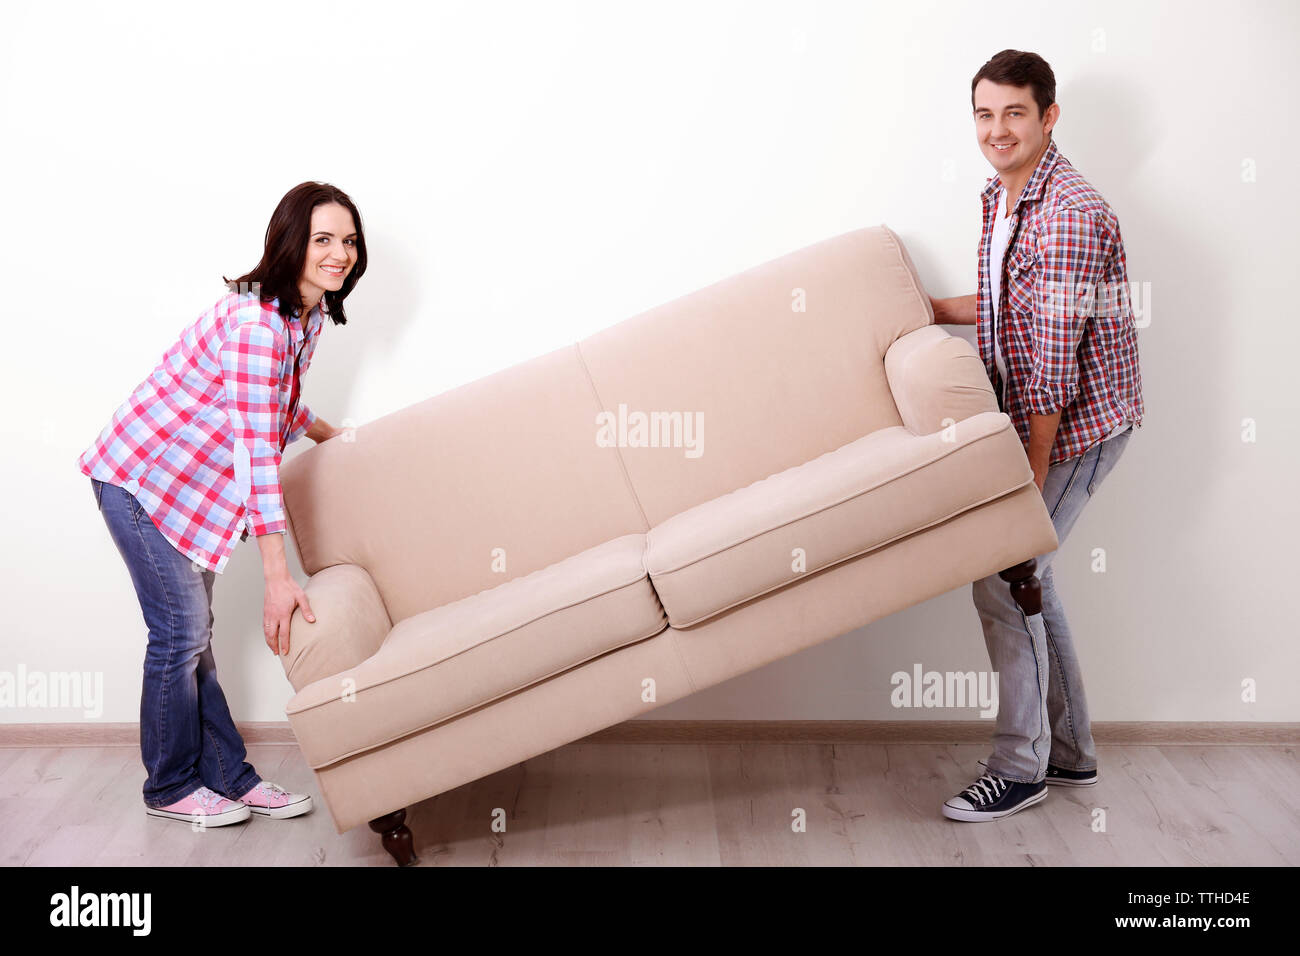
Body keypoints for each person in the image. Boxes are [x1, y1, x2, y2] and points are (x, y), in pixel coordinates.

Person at [78, 182, 365, 827]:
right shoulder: (256, 325)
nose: (339, 254)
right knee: (181, 634)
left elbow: (277, 406)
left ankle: (229, 776)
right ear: (291, 243)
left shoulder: (304, 319)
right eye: (323, 240)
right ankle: (171, 785)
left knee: (193, 637)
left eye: (347, 241)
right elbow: (254, 450)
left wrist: (333, 436)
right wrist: (277, 577)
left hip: (192, 496)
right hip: (141, 480)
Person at [929, 51, 1145, 821]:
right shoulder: (1005, 195)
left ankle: (1019, 768)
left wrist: (1024, 482)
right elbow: (1000, 302)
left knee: (1005, 574)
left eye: (1014, 113)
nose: (998, 130)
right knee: (1030, 582)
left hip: (1076, 427)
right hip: (1034, 414)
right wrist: (925, 312)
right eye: (985, 114)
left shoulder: (1072, 217)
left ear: (1048, 117)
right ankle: (1071, 754)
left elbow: (1052, 375)